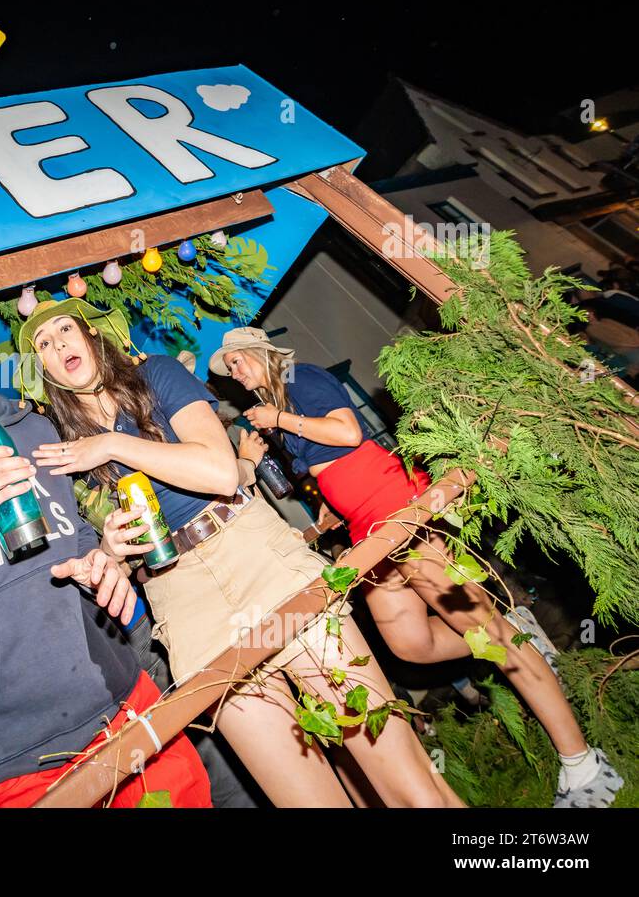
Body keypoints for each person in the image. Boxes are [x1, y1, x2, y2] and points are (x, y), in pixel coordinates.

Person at [18, 299, 460, 807]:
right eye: (44, 344)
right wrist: (110, 552)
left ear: (93, 335)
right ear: (43, 370)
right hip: (182, 600)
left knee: (408, 786)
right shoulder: (66, 448)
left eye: (66, 329)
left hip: (255, 556)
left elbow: (221, 473)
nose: (58, 345)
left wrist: (115, 446)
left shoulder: (156, 374)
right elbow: (107, 552)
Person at [211, 326, 624, 808]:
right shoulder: (282, 403)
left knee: (485, 633)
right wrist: (329, 506)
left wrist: (279, 418)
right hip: (366, 524)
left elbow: (348, 432)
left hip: (397, 507)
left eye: (237, 361)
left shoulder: (300, 377)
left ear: (261, 352)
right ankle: (514, 631)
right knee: (408, 641)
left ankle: (584, 766)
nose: (234, 373)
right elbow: (331, 461)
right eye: (229, 368)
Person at [0, 283, 212, 808]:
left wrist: (103, 563)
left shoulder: (35, 428)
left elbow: (76, 544)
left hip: (123, 701)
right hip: (21, 757)